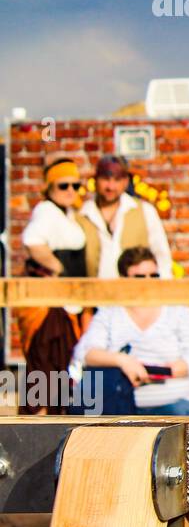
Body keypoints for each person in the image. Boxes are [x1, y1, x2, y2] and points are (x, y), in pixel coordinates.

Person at [70, 247, 189, 416]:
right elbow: (85, 353)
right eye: (140, 277)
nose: (148, 281)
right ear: (124, 280)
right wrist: (124, 361)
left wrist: (162, 372)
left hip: (174, 402)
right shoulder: (110, 313)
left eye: (154, 275)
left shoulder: (178, 310)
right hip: (121, 405)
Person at [16, 159, 94, 414]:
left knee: (64, 368)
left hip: (70, 303)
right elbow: (33, 241)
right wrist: (59, 269)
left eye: (75, 185)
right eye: (63, 185)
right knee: (46, 365)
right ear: (50, 188)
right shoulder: (46, 211)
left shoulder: (70, 213)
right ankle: (36, 429)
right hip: (52, 305)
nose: (70, 190)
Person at [79, 154, 172, 278]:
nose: (111, 187)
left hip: (136, 292)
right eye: (105, 179)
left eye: (117, 180)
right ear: (95, 180)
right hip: (95, 292)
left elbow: (162, 257)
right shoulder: (82, 214)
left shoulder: (145, 211)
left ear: (126, 182)